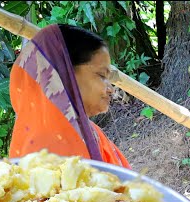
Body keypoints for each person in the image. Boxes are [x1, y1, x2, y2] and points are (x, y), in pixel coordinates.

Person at [9, 24, 129, 167]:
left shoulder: (89, 132)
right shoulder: (45, 156)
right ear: (66, 76)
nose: (111, 89)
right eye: (101, 75)